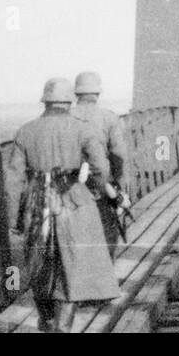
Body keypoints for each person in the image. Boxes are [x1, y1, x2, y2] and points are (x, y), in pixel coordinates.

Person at [3, 77, 121, 333]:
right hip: (72, 200)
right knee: (73, 265)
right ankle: (63, 327)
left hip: (37, 203)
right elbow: (101, 168)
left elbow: (13, 180)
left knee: (39, 263)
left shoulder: (25, 131)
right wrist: (103, 192)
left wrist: (14, 219)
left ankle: (45, 319)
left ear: (44, 101)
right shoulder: (82, 129)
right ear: (69, 101)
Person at [70, 70, 132, 258]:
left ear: (76, 94)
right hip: (100, 182)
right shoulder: (108, 117)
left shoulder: (66, 117)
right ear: (97, 94)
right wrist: (120, 188)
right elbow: (119, 155)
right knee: (107, 230)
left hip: (70, 183)